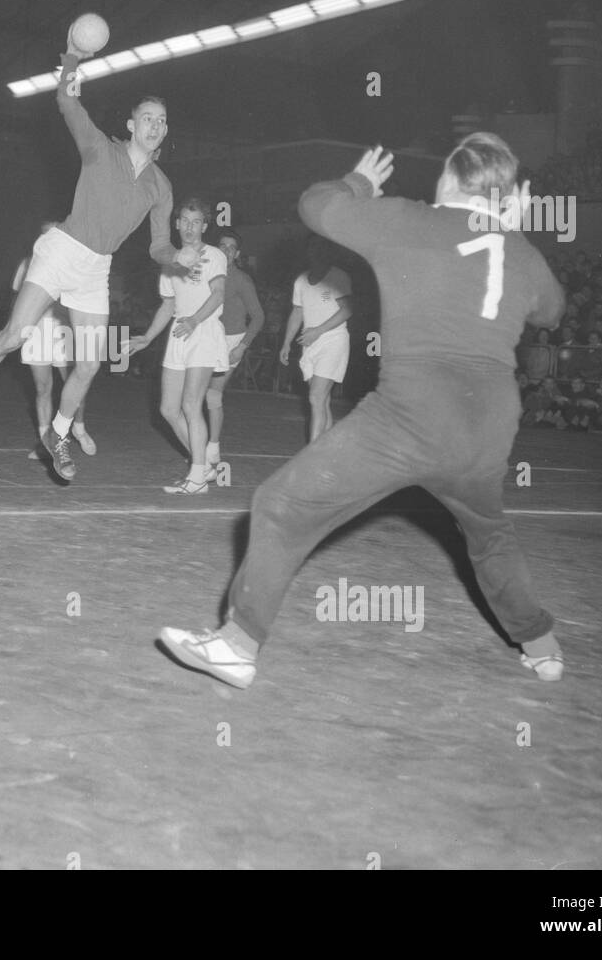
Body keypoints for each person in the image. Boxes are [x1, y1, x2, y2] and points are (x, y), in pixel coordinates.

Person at [159, 133, 568, 689]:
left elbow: (314, 205)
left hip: (413, 412)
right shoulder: (518, 250)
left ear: (448, 181)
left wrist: (359, 184)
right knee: (489, 531)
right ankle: (543, 646)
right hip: (490, 422)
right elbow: (552, 309)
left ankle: (238, 643)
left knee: (280, 504)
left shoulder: (410, 220)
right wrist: (511, 230)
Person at [0, 22, 191, 480]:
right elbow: (67, 101)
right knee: (14, 335)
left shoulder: (161, 187)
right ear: (131, 125)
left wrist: (175, 258)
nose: (155, 125)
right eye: (148, 117)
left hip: (94, 270)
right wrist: (71, 58)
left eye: (162, 121)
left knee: (88, 364)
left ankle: (58, 435)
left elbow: (159, 245)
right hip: (62, 250)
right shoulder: (99, 149)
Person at [126, 199, 227, 494]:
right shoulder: (170, 262)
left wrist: (195, 320)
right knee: (169, 408)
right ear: (177, 223)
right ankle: (203, 467)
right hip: (179, 332)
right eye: (185, 220)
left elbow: (218, 294)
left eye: (197, 222)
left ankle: (197, 477)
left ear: (204, 227)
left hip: (203, 330)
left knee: (191, 405)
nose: (191, 227)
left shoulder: (214, 255)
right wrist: (147, 337)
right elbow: (168, 305)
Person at [11, 235, 96, 461]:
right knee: (42, 388)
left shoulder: (72, 265)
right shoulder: (27, 264)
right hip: (36, 332)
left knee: (76, 383)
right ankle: (46, 445)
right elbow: (19, 299)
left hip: (63, 329)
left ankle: (79, 428)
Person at [279, 235, 352, 442]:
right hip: (309, 344)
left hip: (333, 341)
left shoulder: (338, 277)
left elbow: (347, 310)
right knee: (322, 401)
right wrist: (286, 342)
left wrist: (318, 331)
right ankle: (326, 452)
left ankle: (310, 456)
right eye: (313, 249)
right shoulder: (301, 280)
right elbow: (297, 312)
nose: (317, 254)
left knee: (315, 397)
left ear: (329, 252)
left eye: (322, 249)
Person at [203, 231, 265, 475]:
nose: (227, 250)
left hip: (232, 340)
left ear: (237, 254)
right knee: (197, 393)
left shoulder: (241, 279)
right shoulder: (207, 274)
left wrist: (242, 346)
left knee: (212, 393)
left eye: (232, 247)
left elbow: (259, 317)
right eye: (223, 246)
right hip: (209, 335)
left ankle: (213, 449)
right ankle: (201, 447)